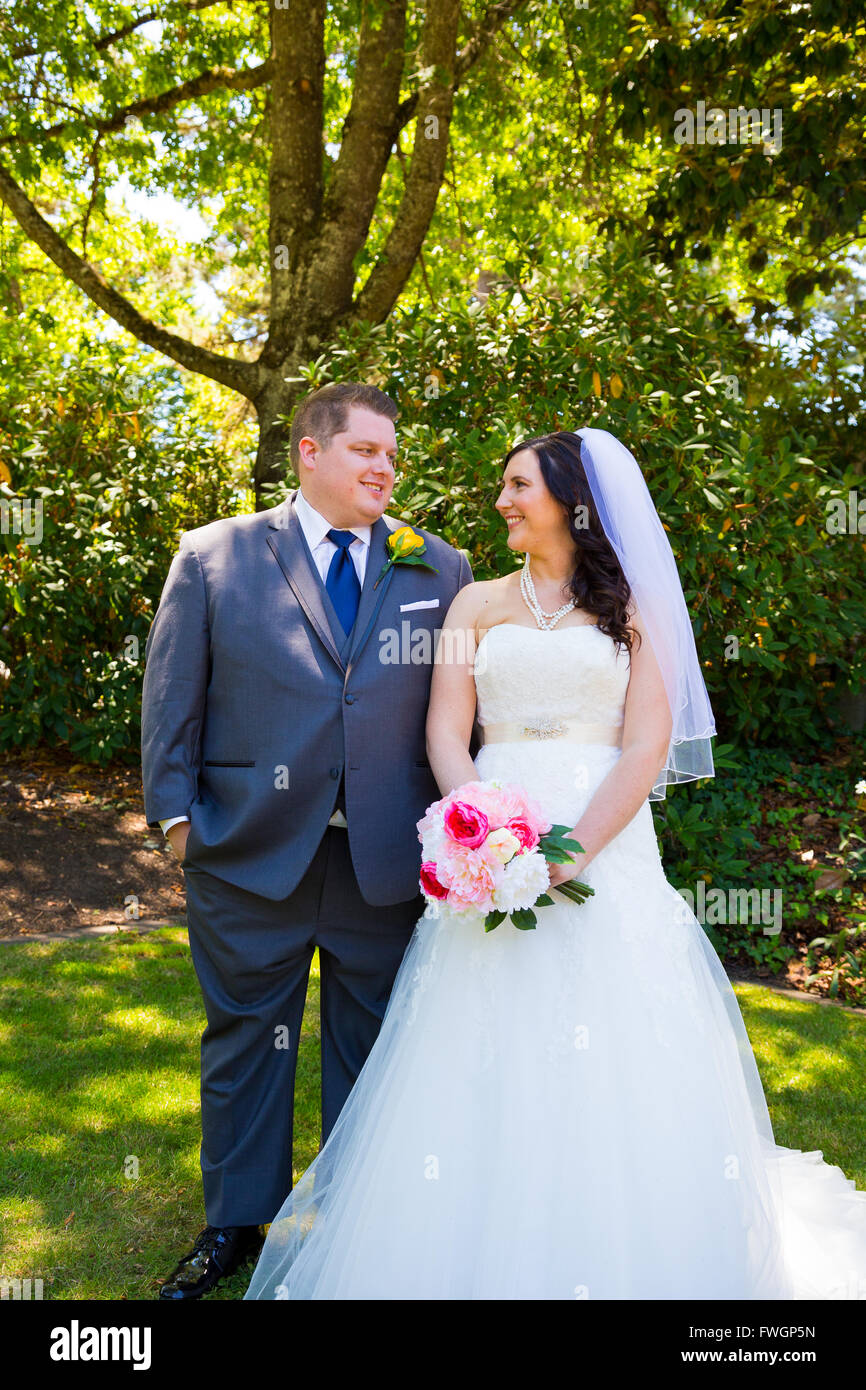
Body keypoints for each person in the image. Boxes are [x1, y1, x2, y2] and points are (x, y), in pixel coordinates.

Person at [244, 427, 866, 1300]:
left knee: (611, 1037)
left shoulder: (635, 609)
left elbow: (647, 743)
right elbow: (443, 730)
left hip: (603, 844)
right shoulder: (473, 608)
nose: (501, 501)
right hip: (490, 839)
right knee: (475, 1031)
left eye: (517, 486)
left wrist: (572, 852)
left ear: (571, 503)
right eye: (502, 485)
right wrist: (474, 826)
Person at [141, 382, 472, 1298]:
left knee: (372, 1049)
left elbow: (462, 713)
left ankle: (359, 1228)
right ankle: (234, 1226)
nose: (385, 468)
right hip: (248, 851)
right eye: (367, 450)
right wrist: (176, 824)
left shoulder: (438, 568)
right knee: (247, 1038)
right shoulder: (216, 557)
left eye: (393, 455)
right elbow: (173, 697)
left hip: (386, 858)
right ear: (310, 453)